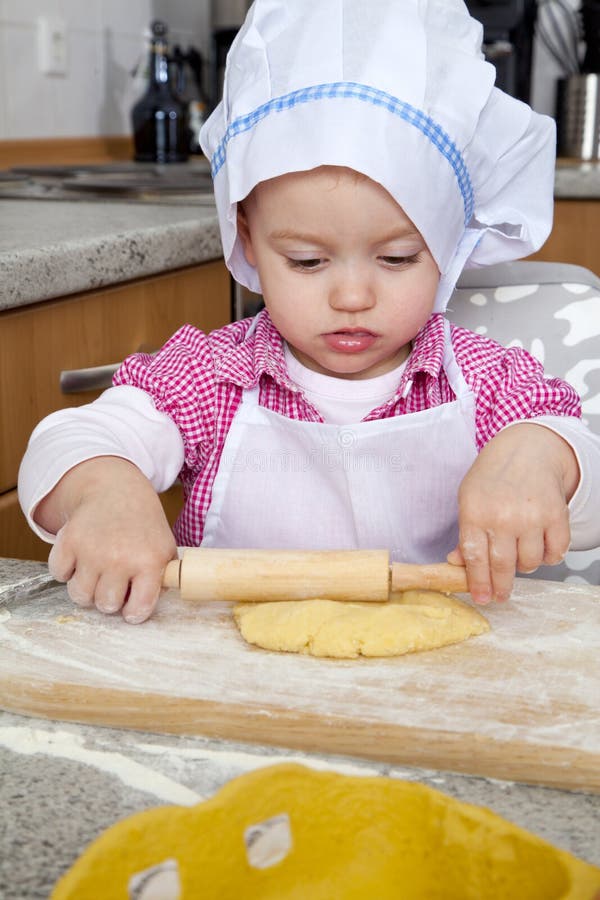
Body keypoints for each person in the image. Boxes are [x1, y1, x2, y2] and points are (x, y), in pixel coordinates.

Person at [18, 0, 600, 624]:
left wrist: (539, 457)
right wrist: (102, 488)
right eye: (307, 261)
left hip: (437, 669)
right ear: (246, 238)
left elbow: (588, 497)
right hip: (231, 670)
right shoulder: (212, 378)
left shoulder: (486, 382)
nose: (352, 297)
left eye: (398, 258)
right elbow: (69, 440)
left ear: (451, 243)